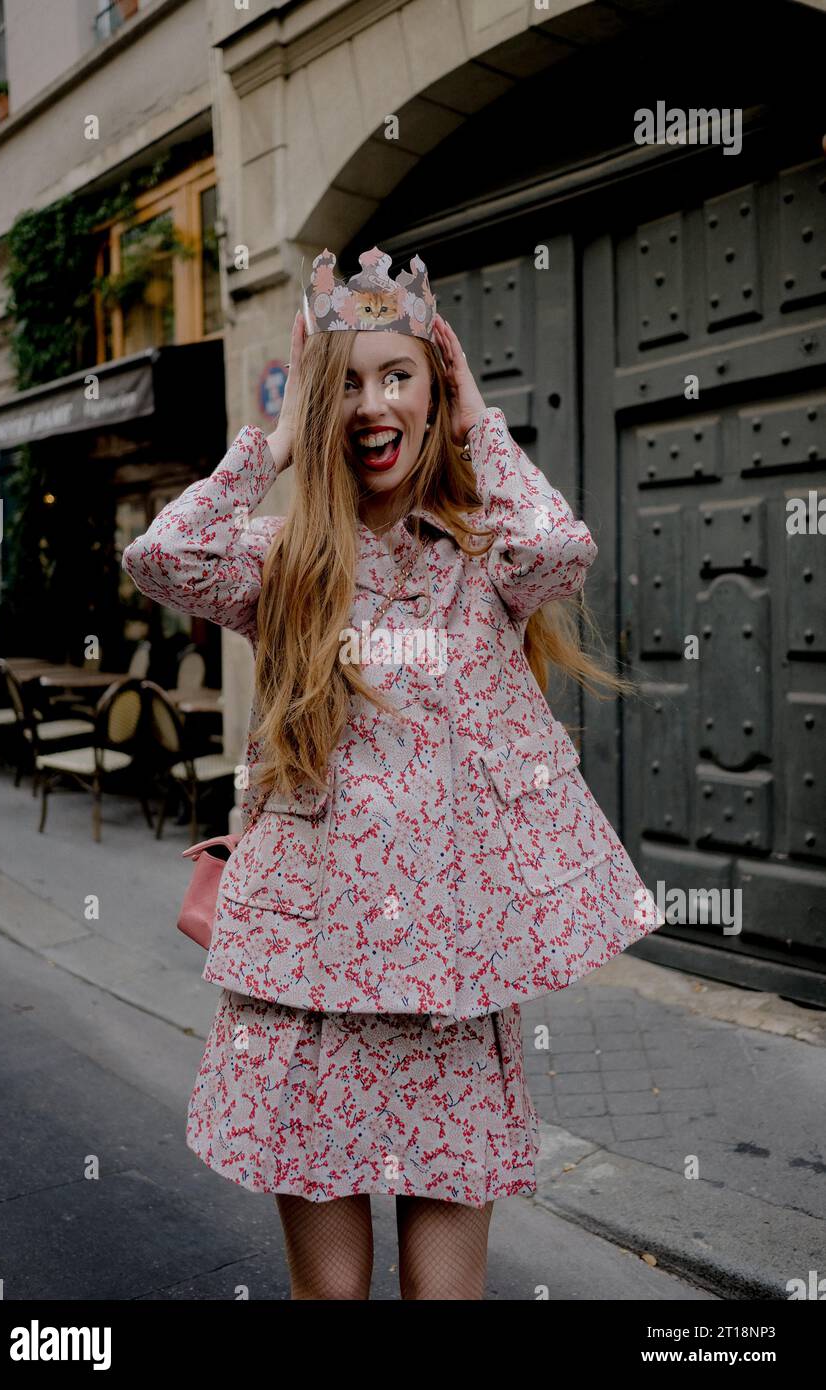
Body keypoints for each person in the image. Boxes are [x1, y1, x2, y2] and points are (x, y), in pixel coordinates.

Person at [121, 246, 664, 1300]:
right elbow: (159, 557)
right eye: (350, 382)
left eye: (399, 376)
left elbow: (561, 547)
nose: (374, 403)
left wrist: (478, 426)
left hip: (449, 995)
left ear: (433, 389)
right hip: (308, 990)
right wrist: (274, 440)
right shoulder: (282, 561)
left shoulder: (478, 556)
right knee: (330, 1300)